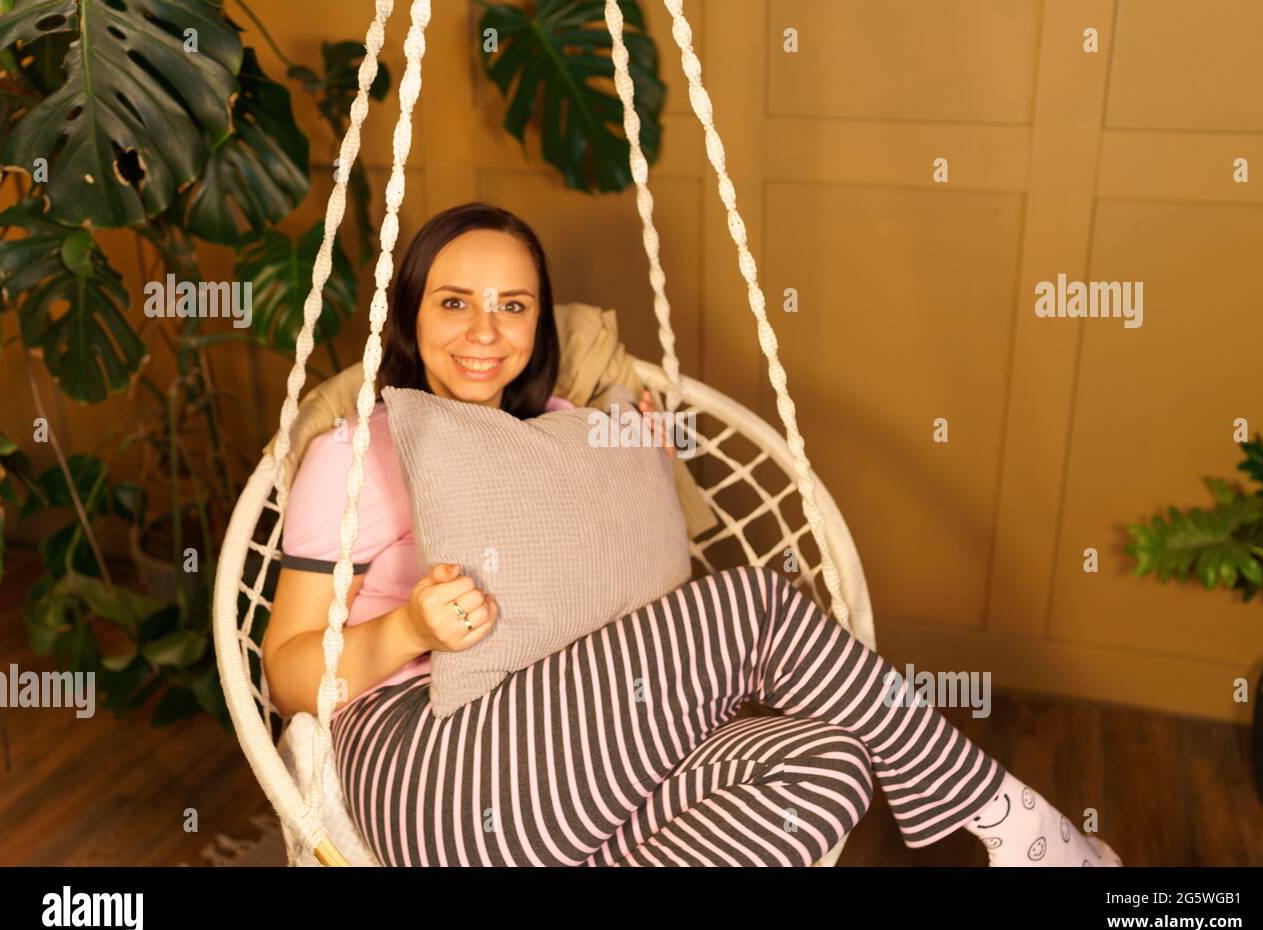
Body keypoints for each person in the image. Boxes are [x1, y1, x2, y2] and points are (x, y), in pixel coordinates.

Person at [262, 201, 1122, 868]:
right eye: (454, 303)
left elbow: (632, 585)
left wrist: (636, 454)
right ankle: (1010, 822)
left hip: (581, 753)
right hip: (436, 774)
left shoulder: (573, 427)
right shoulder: (352, 454)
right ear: (410, 313)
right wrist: (408, 629)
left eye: (512, 306)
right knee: (749, 601)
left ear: (539, 324)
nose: (484, 332)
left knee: (830, 763)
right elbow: (286, 674)